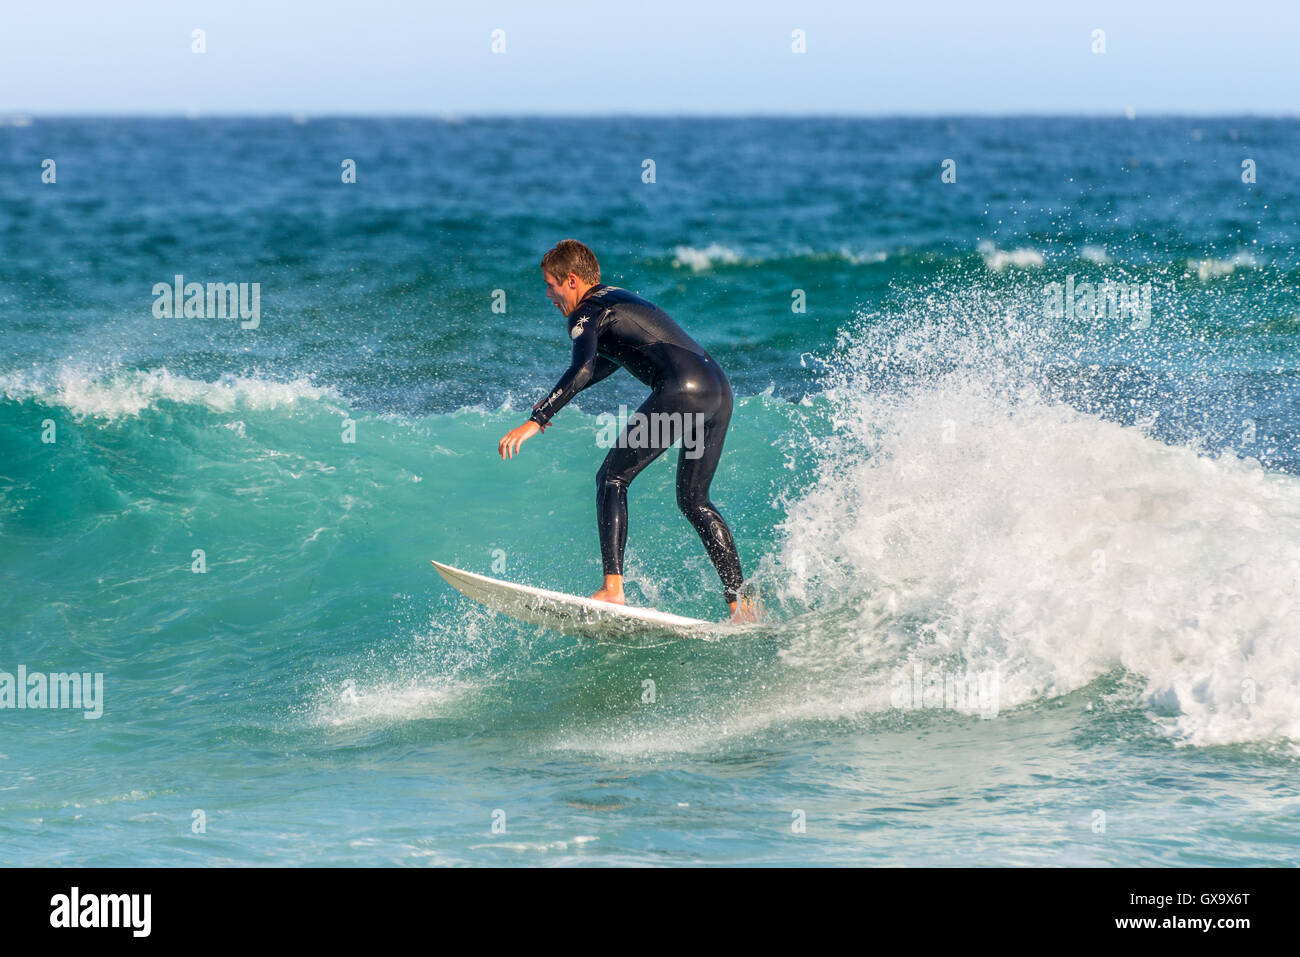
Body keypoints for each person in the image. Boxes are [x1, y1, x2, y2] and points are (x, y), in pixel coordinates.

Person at [498, 239, 756, 621]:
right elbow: (612, 359)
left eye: (551, 284)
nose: (548, 294)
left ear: (572, 280)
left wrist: (537, 419)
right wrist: (550, 403)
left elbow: (583, 366)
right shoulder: (615, 299)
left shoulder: (585, 312)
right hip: (717, 390)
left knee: (612, 477)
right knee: (694, 500)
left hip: (681, 390)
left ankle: (613, 589)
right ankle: (742, 604)